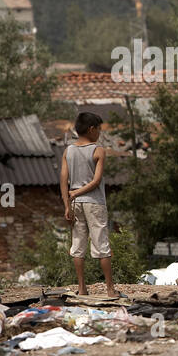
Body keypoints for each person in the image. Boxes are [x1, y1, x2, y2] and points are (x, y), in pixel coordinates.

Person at [60, 111, 117, 297]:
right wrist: (77, 192)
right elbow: (96, 181)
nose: (100, 133)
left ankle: (82, 288)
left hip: (75, 204)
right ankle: (110, 289)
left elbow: (63, 180)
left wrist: (67, 204)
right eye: (99, 129)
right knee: (102, 245)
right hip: (94, 203)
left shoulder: (68, 151)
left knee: (77, 246)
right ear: (91, 129)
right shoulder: (98, 150)